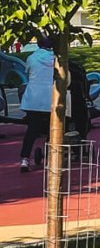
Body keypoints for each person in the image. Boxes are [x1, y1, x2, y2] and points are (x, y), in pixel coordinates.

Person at [19, 34, 55, 173]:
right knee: (53, 129)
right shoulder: (56, 59)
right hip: (50, 98)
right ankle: (52, 155)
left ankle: (24, 158)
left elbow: (28, 72)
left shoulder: (31, 58)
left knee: (31, 131)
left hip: (33, 99)